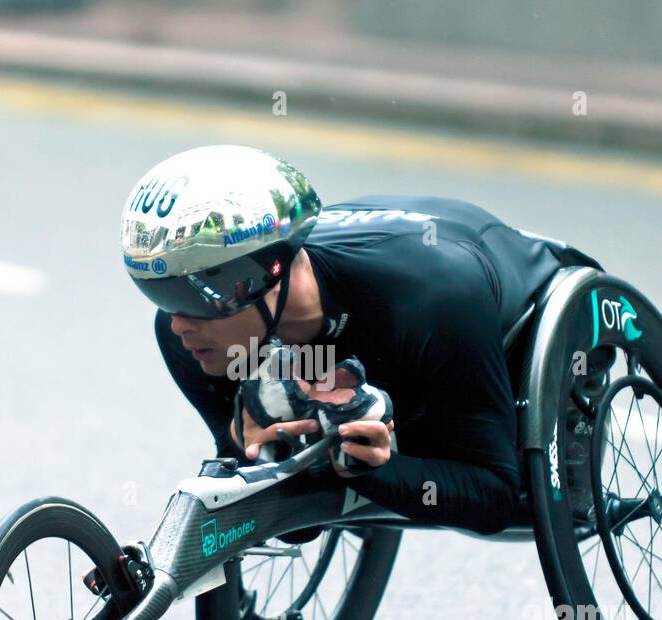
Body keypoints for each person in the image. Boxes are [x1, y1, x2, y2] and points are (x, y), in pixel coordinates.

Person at [121, 145, 601, 535]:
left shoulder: (433, 302)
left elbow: (492, 498)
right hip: (394, 292)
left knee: (550, 500)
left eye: (195, 299)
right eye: (160, 296)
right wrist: (252, 452)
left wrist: (378, 470)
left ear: (263, 278)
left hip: (517, 307)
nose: (178, 324)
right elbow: (285, 523)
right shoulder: (190, 339)